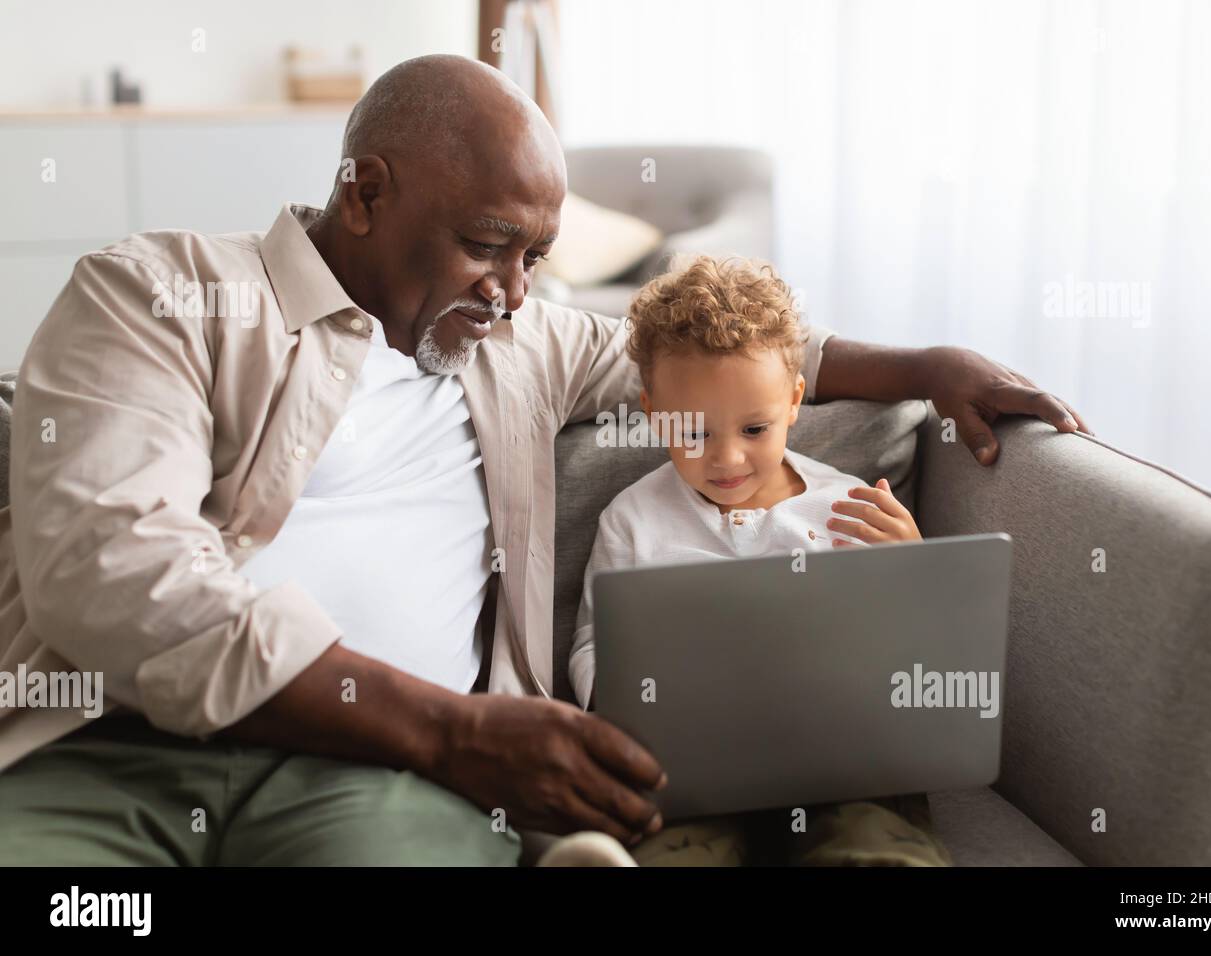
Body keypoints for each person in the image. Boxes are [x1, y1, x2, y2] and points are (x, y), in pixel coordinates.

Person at [0, 55, 1088, 866]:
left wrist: (928, 361)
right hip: (115, 750)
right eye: (486, 245)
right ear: (366, 194)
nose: (515, 291)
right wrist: (452, 724)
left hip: (386, 784)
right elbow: (109, 570)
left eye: (536, 259)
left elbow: (719, 359)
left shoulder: (522, 341)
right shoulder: (160, 296)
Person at [565, 255, 951, 866]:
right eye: (694, 433)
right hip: (693, 767)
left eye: (754, 429)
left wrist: (913, 575)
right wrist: (623, 698)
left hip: (841, 760)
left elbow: (919, 662)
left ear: (794, 401)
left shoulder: (851, 507)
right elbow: (592, 645)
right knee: (675, 848)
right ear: (651, 408)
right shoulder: (632, 520)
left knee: (875, 846)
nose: (726, 460)